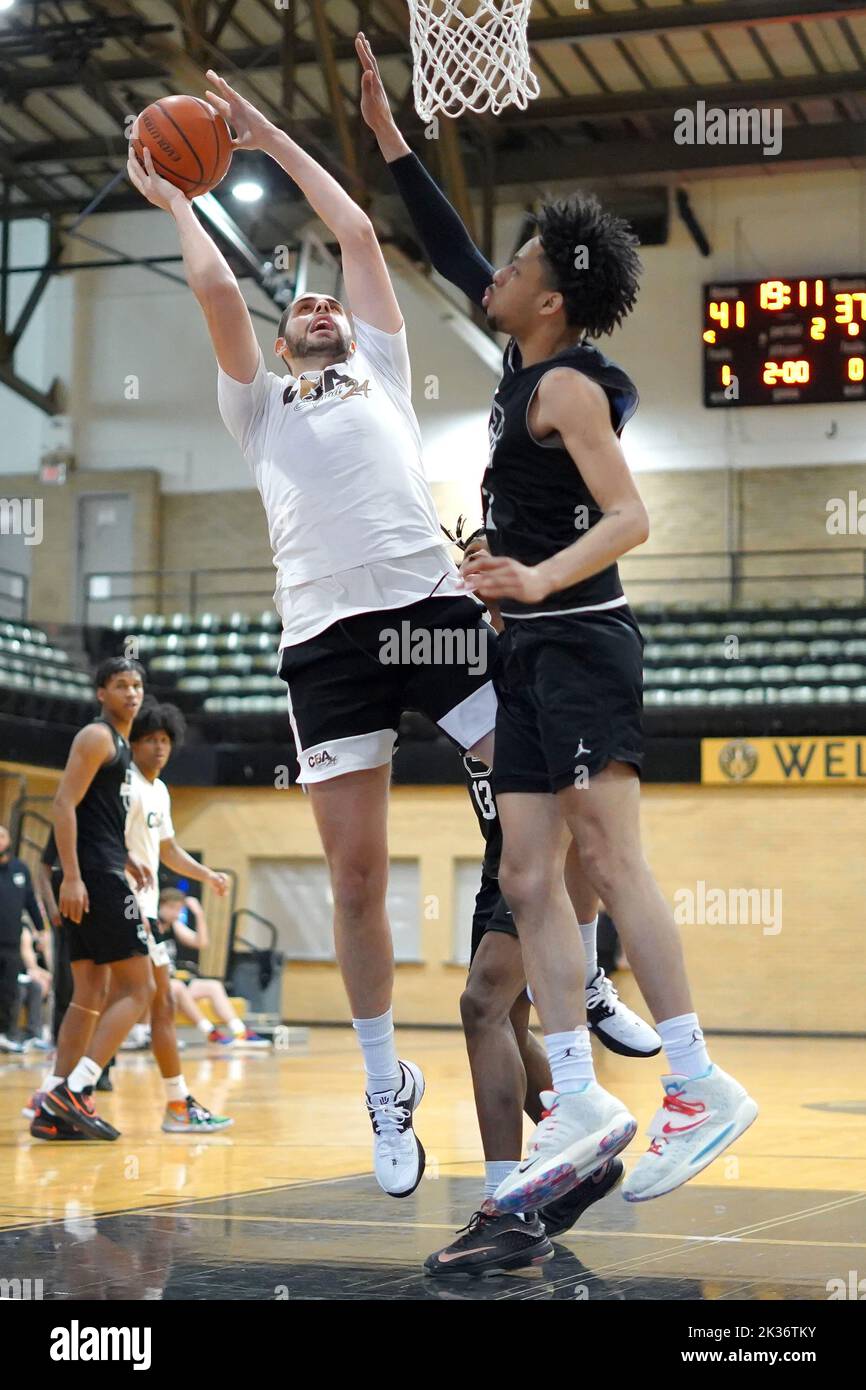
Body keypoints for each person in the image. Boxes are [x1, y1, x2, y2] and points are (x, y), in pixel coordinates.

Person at [358, 33, 757, 1209]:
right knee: (527, 874)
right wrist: (390, 142)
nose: (495, 271)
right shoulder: (518, 365)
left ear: (551, 295)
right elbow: (450, 253)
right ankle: (578, 1092)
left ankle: (696, 1082)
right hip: (528, 652)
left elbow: (630, 515)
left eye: (516, 261)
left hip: (581, 640)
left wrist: (533, 579)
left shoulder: (570, 384)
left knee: (602, 856)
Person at [127, 71, 499, 1198]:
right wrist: (178, 201)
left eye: (329, 305)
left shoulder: (380, 366)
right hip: (326, 641)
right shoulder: (259, 405)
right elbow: (216, 299)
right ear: (288, 343)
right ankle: (386, 1089)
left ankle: (571, 1008)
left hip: (431, 611)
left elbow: (348, 224)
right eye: (305, 312)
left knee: (525, 785)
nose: (321, 309)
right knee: (353, 877)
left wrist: (266, 136)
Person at [425, 530, 658, 1276]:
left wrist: (584, 946)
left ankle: (511, 1209)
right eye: (469, 553)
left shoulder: (551, 651)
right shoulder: (467, 653)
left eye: (491, 548)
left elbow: (587, 813)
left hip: (542, 861)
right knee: (498, 1019)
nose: (478, 561)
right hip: (505, 861)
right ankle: (576, 1159)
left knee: (482, 1006)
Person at [33, 657, 155, 1142]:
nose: (132, 693)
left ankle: (53, 1105)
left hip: (102, 868)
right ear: (101, 692)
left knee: (90, 994)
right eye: (121, 685)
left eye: (137, 685)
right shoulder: (98, 737)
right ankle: (77, 1088)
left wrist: (125, 855)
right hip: (93, 879)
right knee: (140, 989)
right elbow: (62, 803)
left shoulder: (120, 745)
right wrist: (75, 877)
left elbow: (93, 813)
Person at [121, 699, 234, 1131]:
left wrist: (206, 875)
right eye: (149, 739)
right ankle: (70, 1087)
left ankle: (68, 1088)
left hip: (142, 911)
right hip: (126, 905)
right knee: (129, 1000)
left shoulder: (161, 791)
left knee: (148, 1002)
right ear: (133, 744)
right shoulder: (124, 784)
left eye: (165, 740)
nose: (158, 748)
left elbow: (167, 850)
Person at [155, 889, 269, 1048]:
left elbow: (201, 943)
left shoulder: (174, 925)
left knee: (213, 986)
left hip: (172, 981)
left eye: (179, 909)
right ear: (160, 905)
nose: (176, 913)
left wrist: (199, 914)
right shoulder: (151, 926)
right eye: (172, 907)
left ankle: (240, 1031)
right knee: (179, 987)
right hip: (156, 982)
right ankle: (210, 1032)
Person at [0, 822, 46, 1053]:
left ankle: (7, 1035)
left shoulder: (20, 869)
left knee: (10, 991)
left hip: (11, 942)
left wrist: (41, 929)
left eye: (1, 836)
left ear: (8, 840)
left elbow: (30, 901)